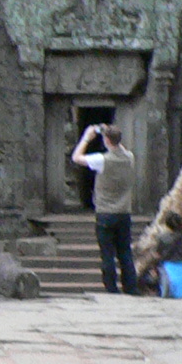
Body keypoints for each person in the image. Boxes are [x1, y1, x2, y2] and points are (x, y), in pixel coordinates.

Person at [71, 123, 138, 295]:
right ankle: (131, 288)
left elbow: (76, 157)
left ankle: (112, 289)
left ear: (106, 140)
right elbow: (118, 146)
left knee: (107, 254)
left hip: (105, 214)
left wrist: (87, 137)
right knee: (125, 252)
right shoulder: (129, 157)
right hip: (124, 212)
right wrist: (109, 131)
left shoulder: (101, 160)